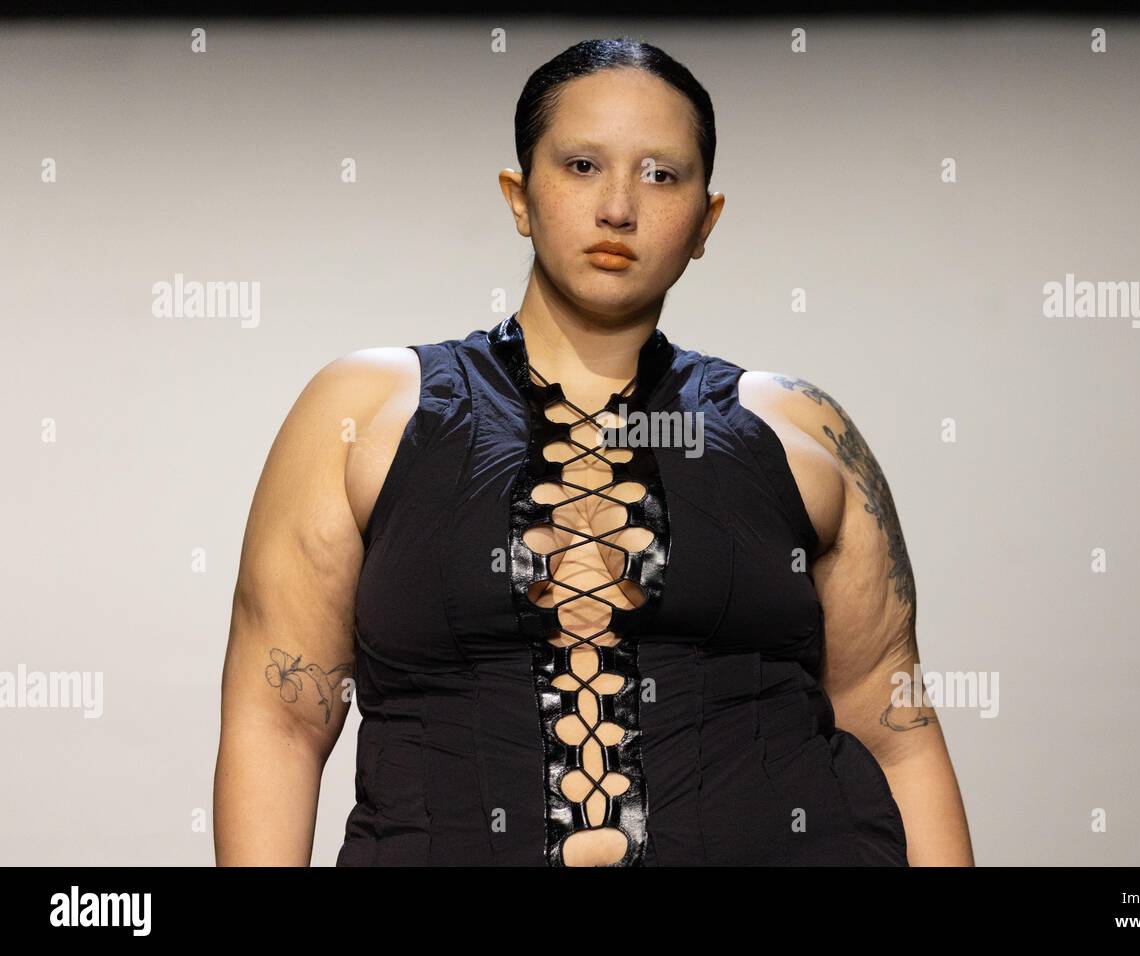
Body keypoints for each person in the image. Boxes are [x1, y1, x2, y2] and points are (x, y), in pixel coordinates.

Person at [214, 36, 974, 867]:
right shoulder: (368, 412)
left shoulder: (800, 432)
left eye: (661, 174)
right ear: (519, 195)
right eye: (581, 166)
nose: (619, 206)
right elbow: (279, 720)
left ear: (706, 222)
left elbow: (896, 732)